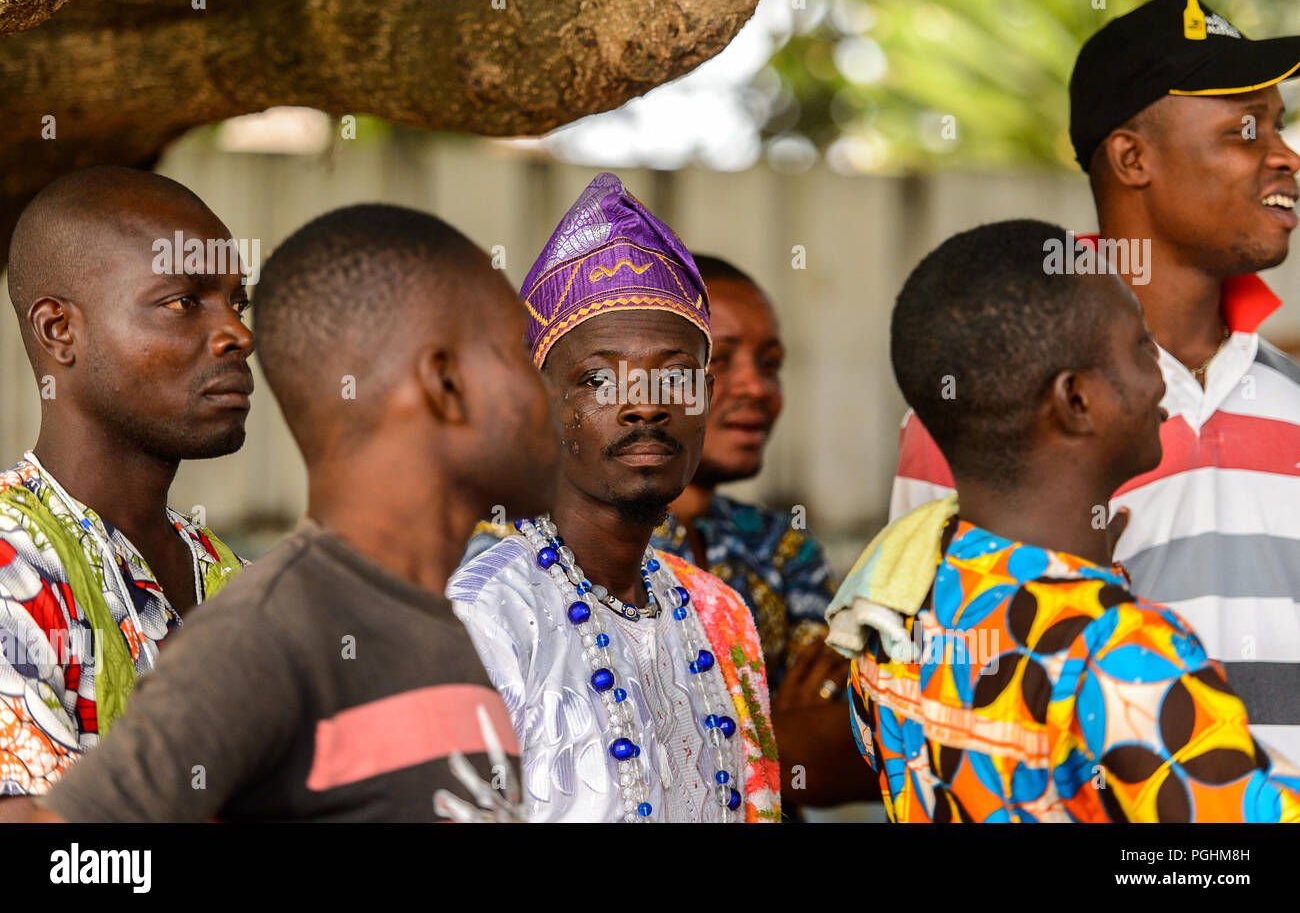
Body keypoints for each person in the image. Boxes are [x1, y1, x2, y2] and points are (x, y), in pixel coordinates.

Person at [31, 204, 559, 822]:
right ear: (444, 384)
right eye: (524, 355)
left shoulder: (440, 628)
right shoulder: (270, 631)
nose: (555, 391)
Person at [890, 0, 1300, 762]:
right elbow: (926, 679)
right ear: (1132, 158)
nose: (1285, 156)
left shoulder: (1295, 401)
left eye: (1280, 125)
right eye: (1247, 130)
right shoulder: (985, 407)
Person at [830, 219, 1300, 822]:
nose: (1161, 371)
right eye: (1139, 346)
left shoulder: (893, 612)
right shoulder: (1122, 649)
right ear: (1076, 400)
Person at [449, 173, 781, 822]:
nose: (646, 404)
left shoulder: (722, 614)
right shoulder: (487, 615)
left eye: (677, 374)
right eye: (599, 377)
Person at [0, 167, 250, 811]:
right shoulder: (11, 565)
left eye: (236, 302)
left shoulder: (239, 583)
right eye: (183, 302)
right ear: (60, 331)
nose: (238, 334)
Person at [650, 255, 872, 809]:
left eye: (770, 363)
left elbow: (859, 747)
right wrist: (778, 724)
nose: (756, 386)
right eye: (720, 359)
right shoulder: (548, 543)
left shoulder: (783, 544)